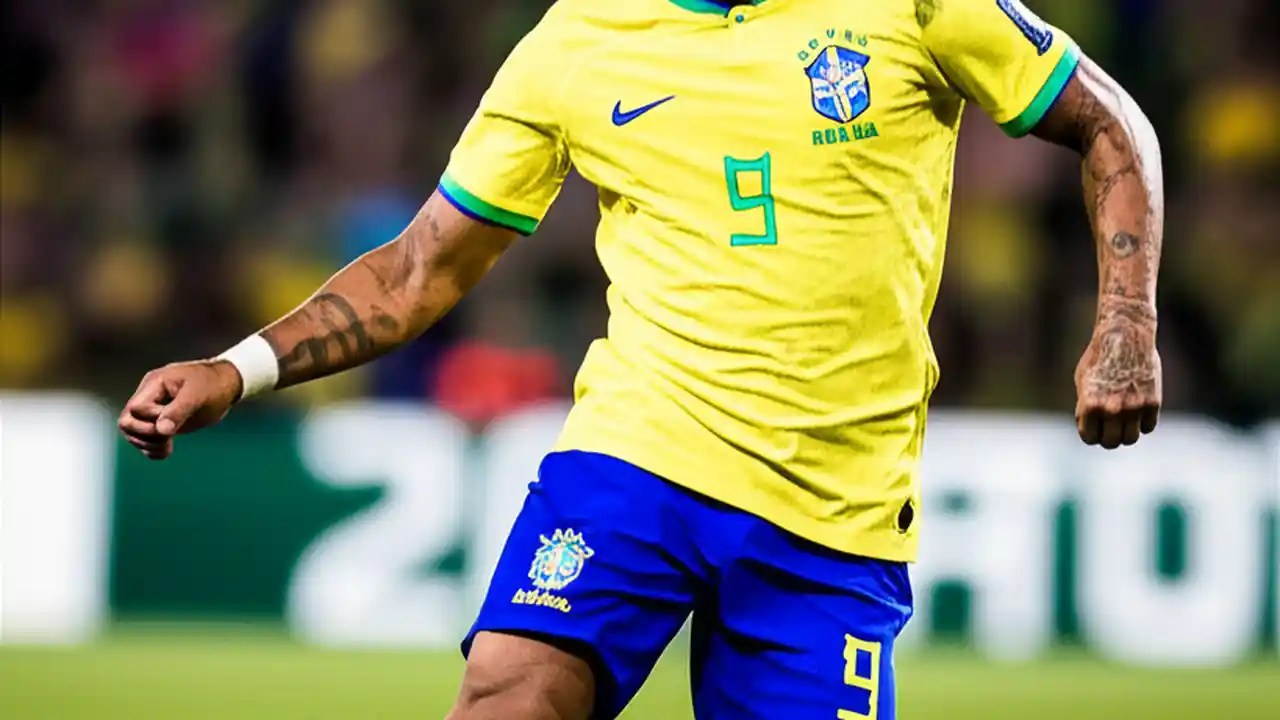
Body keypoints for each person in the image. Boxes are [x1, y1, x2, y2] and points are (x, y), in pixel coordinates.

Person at [118, 0, 1164, 717]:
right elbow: (419, 267)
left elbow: (1113, 129)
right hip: (638, 457)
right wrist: (236, 369)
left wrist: (1122, 322)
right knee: (508, 693)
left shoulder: (919, 8)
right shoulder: (578, 36)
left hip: (831, 503)